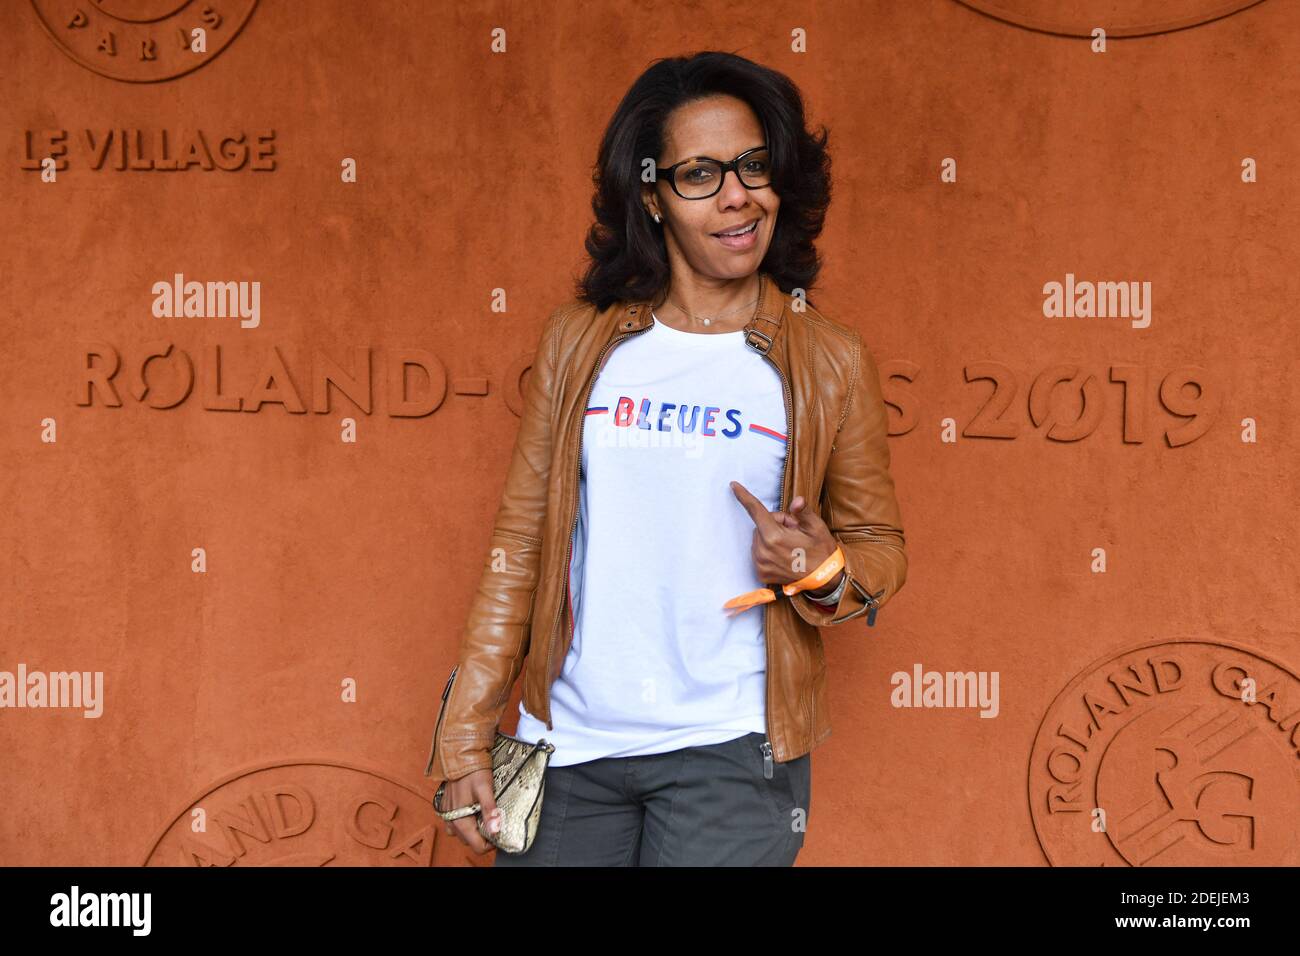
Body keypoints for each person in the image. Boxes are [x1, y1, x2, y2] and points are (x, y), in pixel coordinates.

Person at [424, 50, 907, 866]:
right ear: (650, 195)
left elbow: (879, 552)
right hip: (568, 745)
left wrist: (821, 568)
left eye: (754, 165)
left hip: (732, 751)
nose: (736, 196)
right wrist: (465, 730)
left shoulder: (827, 360)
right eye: (700, 175)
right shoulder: (582, 341)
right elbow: (521, 546)